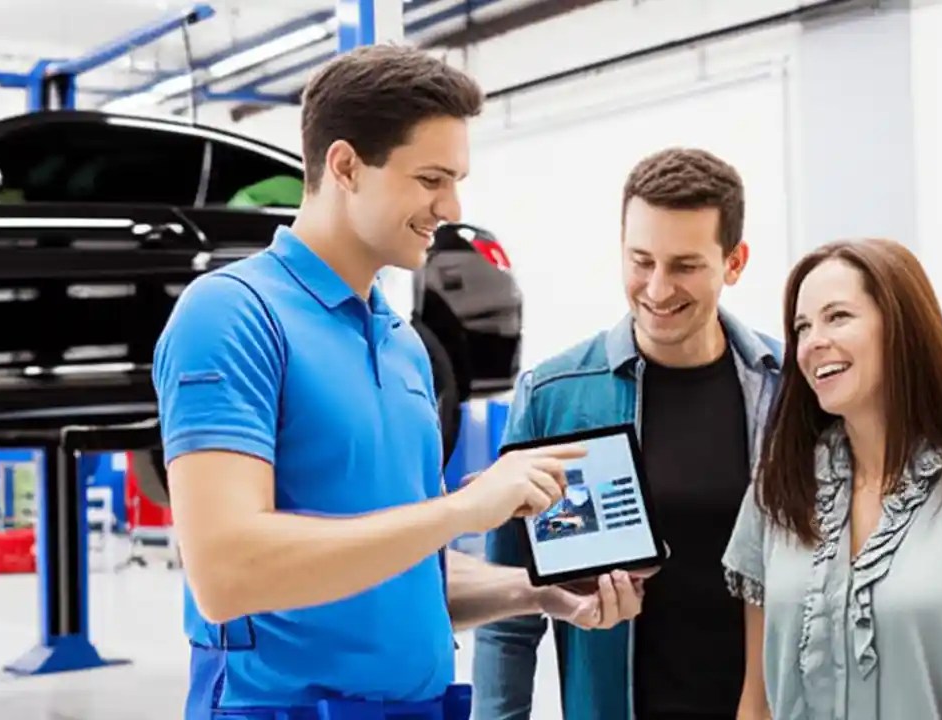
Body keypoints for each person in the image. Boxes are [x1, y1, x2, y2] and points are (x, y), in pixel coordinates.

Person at [152, 44, 645, 720]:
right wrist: (463, 510)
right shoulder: (232, 315)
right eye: (430, 179)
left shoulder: (403, 345)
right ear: (345, 166)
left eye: (456, 180)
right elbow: (227, 573)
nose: (451, 205)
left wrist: (535, 592)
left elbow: (407, 569)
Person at [472, 147, 784, 720]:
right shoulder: (554, 398)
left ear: (734, 263)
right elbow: (508, 615)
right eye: (642, 261)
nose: (658, 289)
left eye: (685, 266)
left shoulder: (788, 394)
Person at [723, 238, 942, 720]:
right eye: (802, 326)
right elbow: (757, 702)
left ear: (902, 330)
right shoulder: (776, 492)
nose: (813, 341)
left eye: (837, 316)